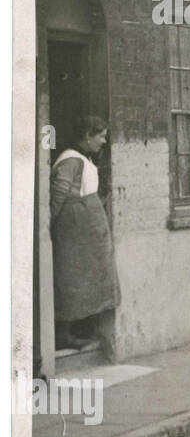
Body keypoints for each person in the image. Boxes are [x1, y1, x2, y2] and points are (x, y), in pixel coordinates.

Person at [50, 115, 121, 351]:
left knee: (87, 280)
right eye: (101, 136)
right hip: (73, 232)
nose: (104, 141)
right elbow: (59, 196)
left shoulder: (85, 158)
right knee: (71, 280)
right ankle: (64, 334)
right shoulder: (70, 160)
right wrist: (51, 225)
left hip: (86, 233)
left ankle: (81, 330)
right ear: (87, 135)